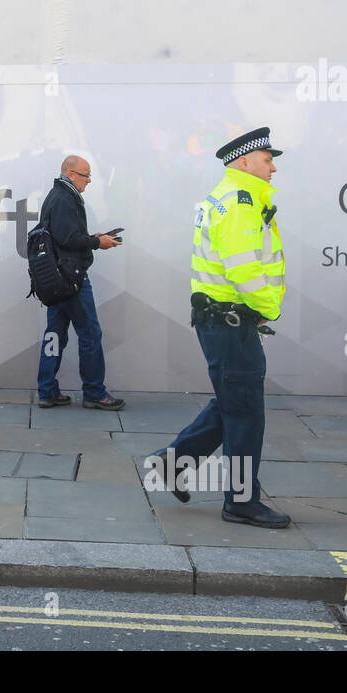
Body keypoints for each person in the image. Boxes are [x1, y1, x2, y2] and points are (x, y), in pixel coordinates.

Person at [147, 128, 290, 527]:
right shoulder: (240, 203)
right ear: (244, 162)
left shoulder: (229, 198)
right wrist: (269, 309)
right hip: (230, 321)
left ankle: (173, 463)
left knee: (234, 401)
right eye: (267, 159)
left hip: (222, 320)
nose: (273, 166)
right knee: (245, 413)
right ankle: (241, 502)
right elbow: (243, 268)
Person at [35, 155, 125, 410]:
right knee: (90, 334)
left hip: (56, 281)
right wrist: (98, 242)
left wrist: (93, 237)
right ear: (71, 174)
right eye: (86, 175)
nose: (89, 181)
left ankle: (47, 390)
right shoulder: (65, 198)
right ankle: (95, 392)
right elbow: (67, 239)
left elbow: (64, 236)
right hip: (71, 280)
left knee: (54, 335)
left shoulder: (56, 196)